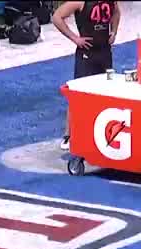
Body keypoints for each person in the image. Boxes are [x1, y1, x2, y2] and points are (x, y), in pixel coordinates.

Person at [54, 0, 120, 150]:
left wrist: (114, 31)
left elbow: (116, 12)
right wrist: (75, 38)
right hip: (87, 53)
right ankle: (69, 134)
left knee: (105, 92)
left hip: (104, 52)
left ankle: (100, 130)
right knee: (78, 94)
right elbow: (57, 17)